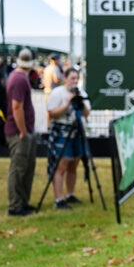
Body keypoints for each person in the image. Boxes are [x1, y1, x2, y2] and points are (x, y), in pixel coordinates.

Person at [46, 68, 91, 209]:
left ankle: (70, 194)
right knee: (62, 165)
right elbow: (52, 114)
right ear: (65, 78)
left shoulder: (81, 93)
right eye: (72, 78)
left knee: (74, 164)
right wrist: (67, 103)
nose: (75, 81)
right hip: (62, 132)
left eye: (77, 78)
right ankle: (58, 199)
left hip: (77, 132)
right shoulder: (57, 93)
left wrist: (80, 102)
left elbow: (86, 113)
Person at [4, 48, 37, 216]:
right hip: (19, 132)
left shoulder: (20, 77)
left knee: (26, 168)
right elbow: (16, 107)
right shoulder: (19, 79)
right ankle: (15, 206)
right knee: (18, 169)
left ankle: (23, 202)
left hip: (22, 130)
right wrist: (23, 131)